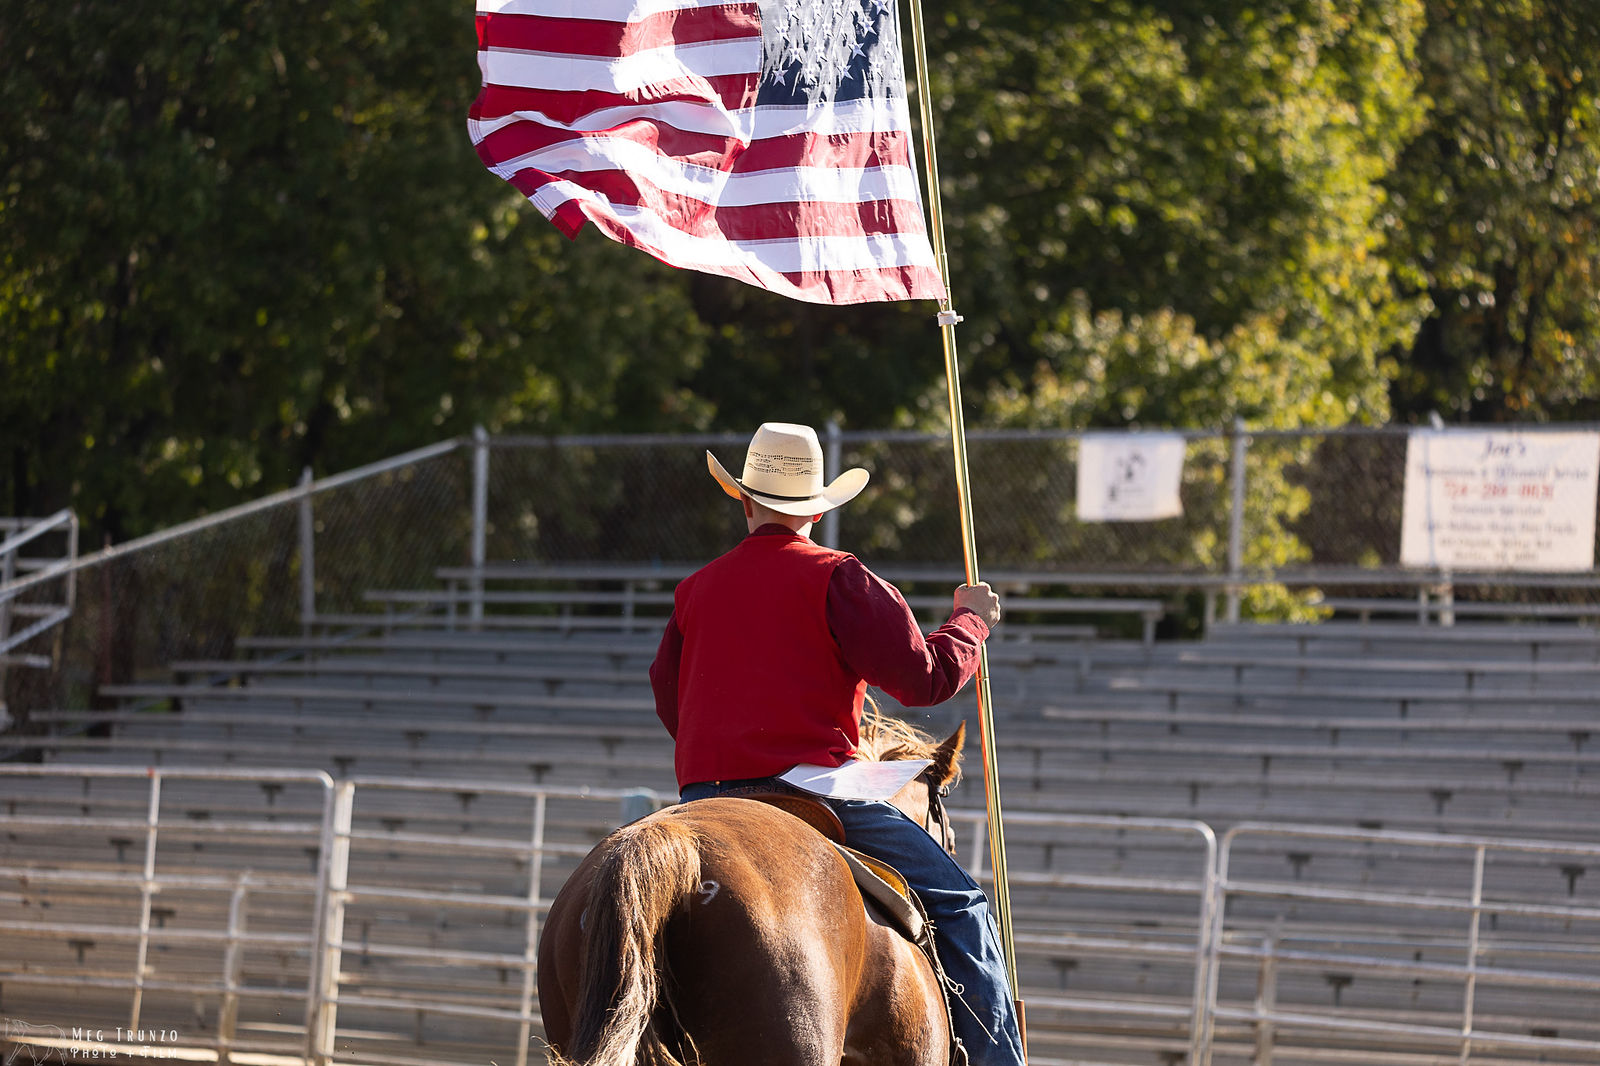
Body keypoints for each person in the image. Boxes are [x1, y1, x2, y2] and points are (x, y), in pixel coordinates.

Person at [649, 421, 1027, 1066]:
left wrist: (728, 754)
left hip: (701, 795)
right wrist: (970, 621)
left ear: (742, 500)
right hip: (809, 788)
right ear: (820, 508)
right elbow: (925, 679)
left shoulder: (696, 589)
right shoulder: (838, 576)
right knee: (963, 902)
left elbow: (668, 696)